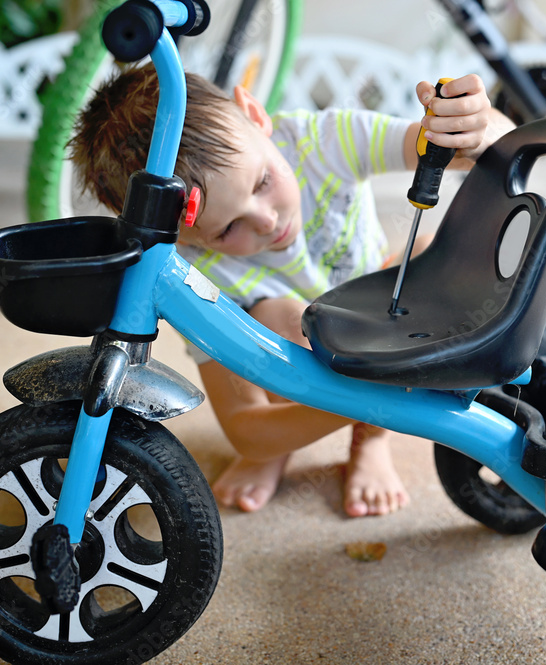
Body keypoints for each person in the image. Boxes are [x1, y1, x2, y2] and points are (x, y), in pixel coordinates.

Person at [70, 65, 515, 518]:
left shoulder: (320, 140)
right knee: (283, 320)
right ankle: (315, 436)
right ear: (179, 238)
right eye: (227, 229)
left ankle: (370, 439)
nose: (266, 220)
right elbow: (245, 429)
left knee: (429, 257)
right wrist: (381, 395)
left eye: (262, 181)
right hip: (310, 355)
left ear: (255, 115)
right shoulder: (188, 271)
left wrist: (474, 126)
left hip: (385, 315)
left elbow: (500, 145)